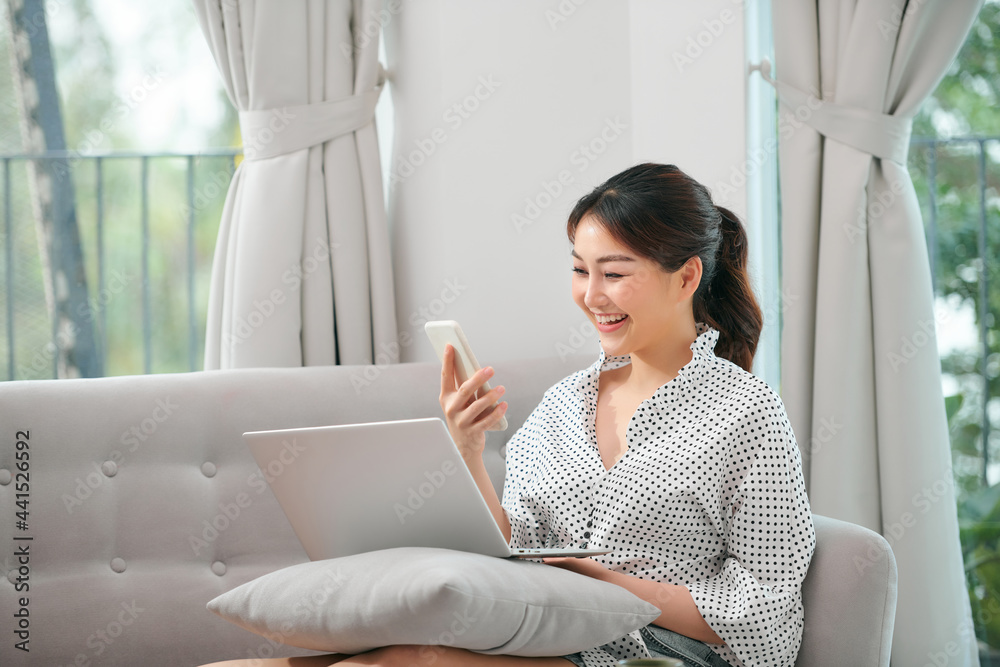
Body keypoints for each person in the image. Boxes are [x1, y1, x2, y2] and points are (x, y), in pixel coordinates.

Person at [204, 163, 815, 667]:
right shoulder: (562, 404)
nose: (592, 295)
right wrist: (465, 452)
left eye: (615, 274)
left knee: (419, 662)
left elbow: (768, 610)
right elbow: (514, 547)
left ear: (686, 277)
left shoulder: (746, 412)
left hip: (651, 655)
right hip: (539, 634)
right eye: (580, 270)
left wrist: (611, 589)